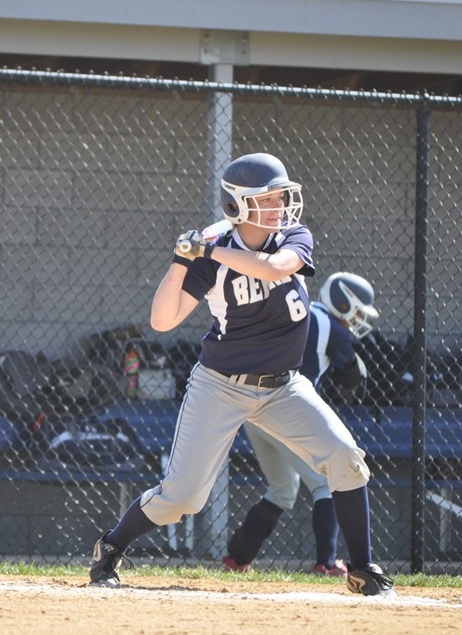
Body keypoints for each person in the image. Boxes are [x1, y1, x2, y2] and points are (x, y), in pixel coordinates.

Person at [87, 152, 396, 597]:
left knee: (346, 458)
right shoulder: (209, 258)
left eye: (280, 197)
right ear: (239, 205)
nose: (280, 207)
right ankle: (111, 547)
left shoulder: (292, 236)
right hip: (220, 386)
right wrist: (181, 260)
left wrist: (210, 248)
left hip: (284, 387)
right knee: (184, 498)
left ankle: (363, 569)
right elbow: (162, 320)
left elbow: (273, 269)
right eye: (269, 200)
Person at [223, 272, 379, 576]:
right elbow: (352, 376)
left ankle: (236, 558)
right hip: (285, 412)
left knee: (282, 490)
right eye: (356, 310)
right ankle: (327, 562)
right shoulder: (333, 327)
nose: (356, 318)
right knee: (325, 482)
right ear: (342, 301)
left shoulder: (298, 308)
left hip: (252, 410)